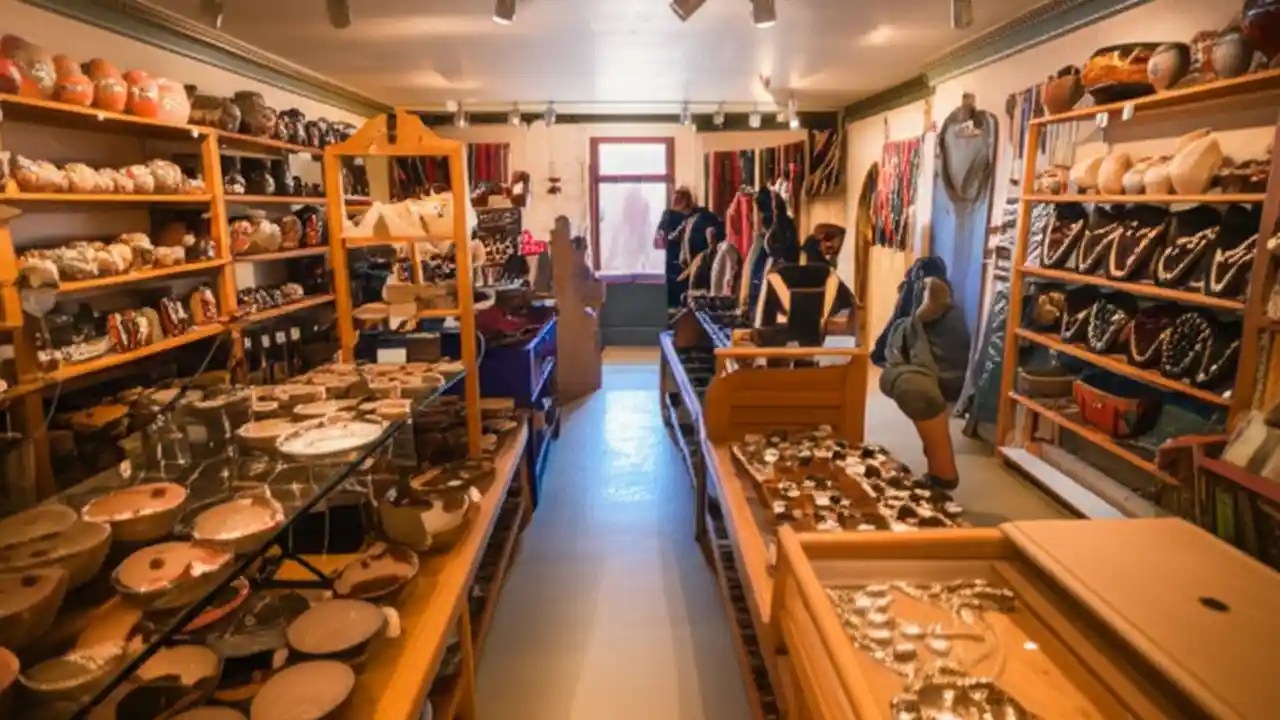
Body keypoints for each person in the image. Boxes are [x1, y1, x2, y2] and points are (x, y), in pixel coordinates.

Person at [875, 257, 970, 490]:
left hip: (940, 374)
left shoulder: (932, 286)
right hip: (946, 374)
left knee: (913, 389)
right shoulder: (946, 298)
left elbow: (933, 295)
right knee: (926, 407)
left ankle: (943, 474)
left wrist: (914, 320)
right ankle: (939, 472)